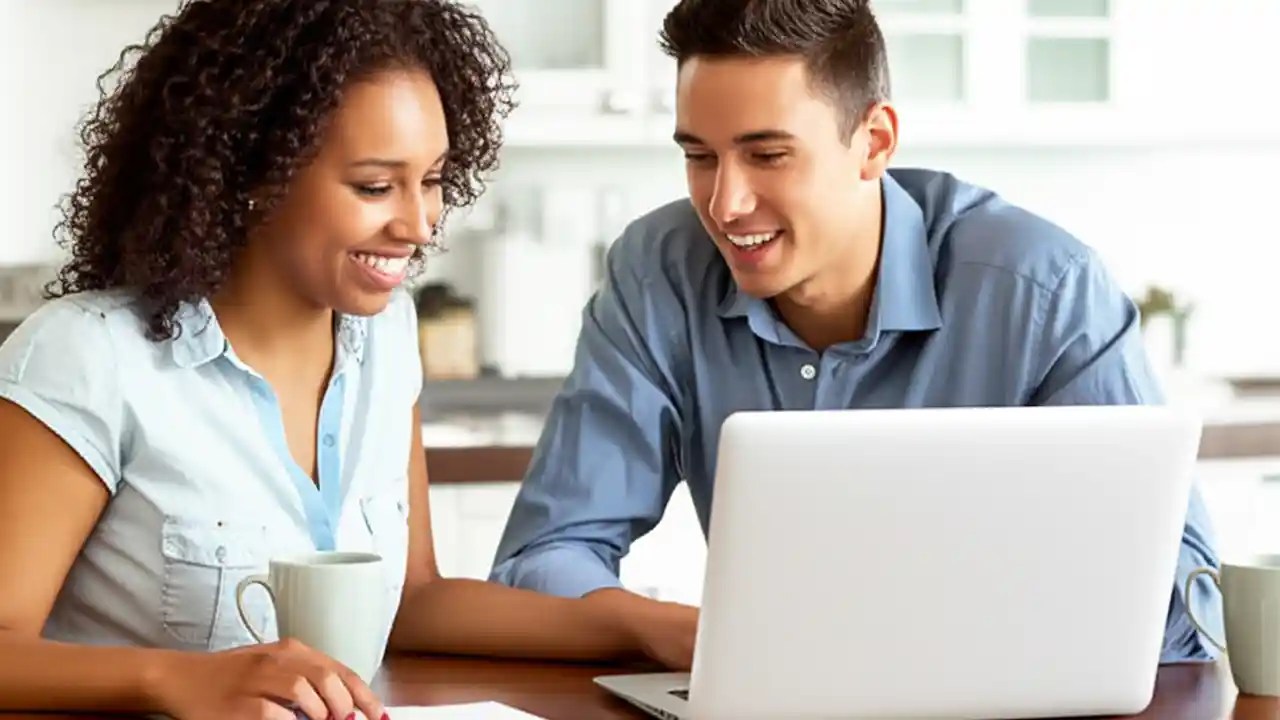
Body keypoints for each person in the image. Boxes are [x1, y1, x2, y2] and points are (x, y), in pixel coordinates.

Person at [490, 0, 1224, 671]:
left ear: (873, 142)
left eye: (767, 155)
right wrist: (671, 629)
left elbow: (1183, 605)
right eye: (700, 156)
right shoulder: (659, 273)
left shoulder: (1043, 289)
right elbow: (543, 559)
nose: (726, 204)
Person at [0, 2, 678, 718]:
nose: (419, 225)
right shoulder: (87, 358)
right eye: (375, 187)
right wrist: (176, 680)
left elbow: (414, 600)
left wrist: (639, 625)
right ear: (252, 173)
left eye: (433, 180)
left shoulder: (385, 337)